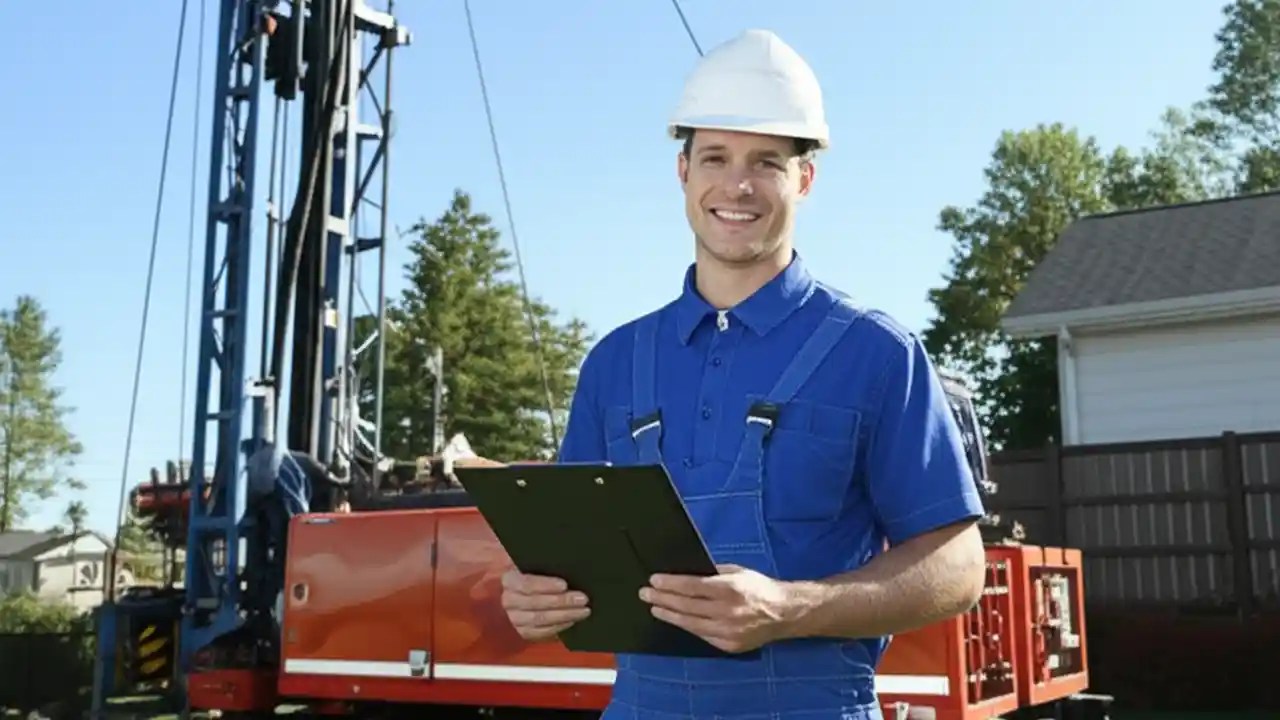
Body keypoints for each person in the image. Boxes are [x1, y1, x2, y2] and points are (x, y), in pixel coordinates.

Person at [499, 28, 987, 719]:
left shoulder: (877, 354)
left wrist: (790, 608)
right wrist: (534, 599)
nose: (736, 185)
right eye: (716, 158)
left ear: (805, 178)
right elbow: (565, 564)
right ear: (683, 172)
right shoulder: (614, 363)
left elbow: (960, 568)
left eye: (765, 161)